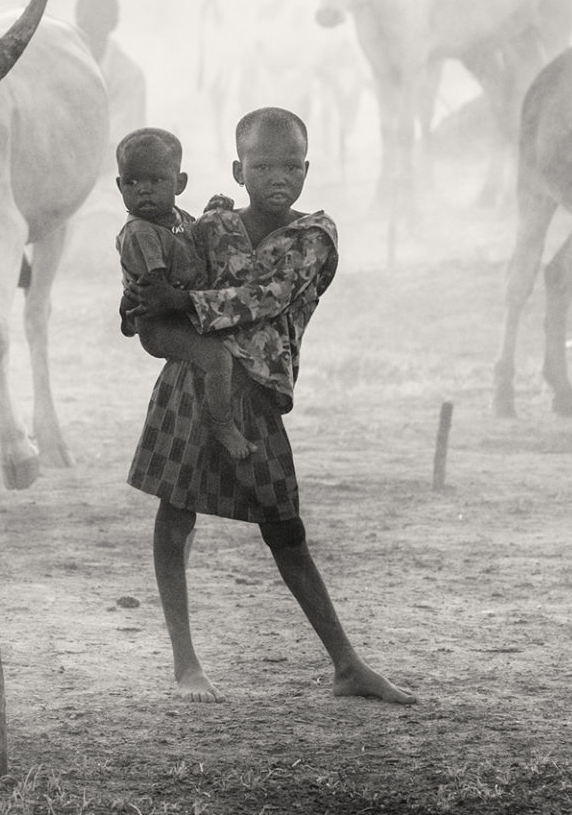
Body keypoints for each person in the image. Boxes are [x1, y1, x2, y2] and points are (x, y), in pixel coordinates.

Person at [128, 106, 416, 706]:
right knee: (175, 513)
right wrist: (144, 302)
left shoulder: (313, 237)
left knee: (286, 529)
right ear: (239, 169)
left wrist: (182, 301)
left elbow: (266, 298)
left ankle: (346, 665)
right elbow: (158, 273)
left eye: (290, 164)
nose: (277, 176)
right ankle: (185, 663)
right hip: (192, 381)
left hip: (256, 394)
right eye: (262, 165)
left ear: (307, 170)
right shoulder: (212, 226)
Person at [113, 127, 255, 462]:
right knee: (218, 356)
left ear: (180, 183)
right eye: (132, 183)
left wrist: (211, 215)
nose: (144, 190)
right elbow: (160, 289)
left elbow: (191, 241)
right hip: (162, 324)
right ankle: (223, 425)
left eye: (156, 181)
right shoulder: (141, 232)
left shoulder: (175, 218)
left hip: (181, 310)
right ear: (119, 186)